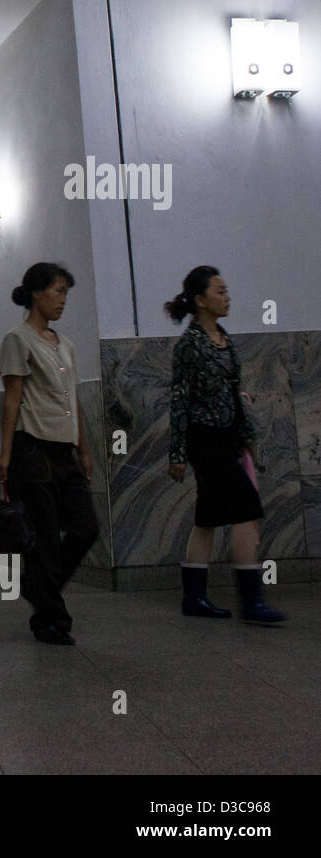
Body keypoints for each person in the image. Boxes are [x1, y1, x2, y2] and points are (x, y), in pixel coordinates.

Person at [165, 266, 285, 623]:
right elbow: (179, 400)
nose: (227, 296)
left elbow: (235, 390)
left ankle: (194, 598)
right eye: (219, 291)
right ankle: (252, 602)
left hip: (228, 436)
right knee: (247, 510)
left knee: (208, 518)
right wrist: (178, 453)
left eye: (226, 290)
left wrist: (246, 436)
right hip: (206, 439)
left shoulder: (223, 337)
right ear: (200, 300)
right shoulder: (190, 345)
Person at [0, 262, 98, 645]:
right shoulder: (17, 340)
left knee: (86, 527)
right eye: (57, 292)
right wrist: (4, 455)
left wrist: (84, 451)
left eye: (66, 293)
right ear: (36, 294)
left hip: (64, 452)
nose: (63, 300)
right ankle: (53, 620)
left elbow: (74, 401)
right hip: (31, 449)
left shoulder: (65, 345)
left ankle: (36, 588)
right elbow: (12, 399)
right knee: (46, 539)